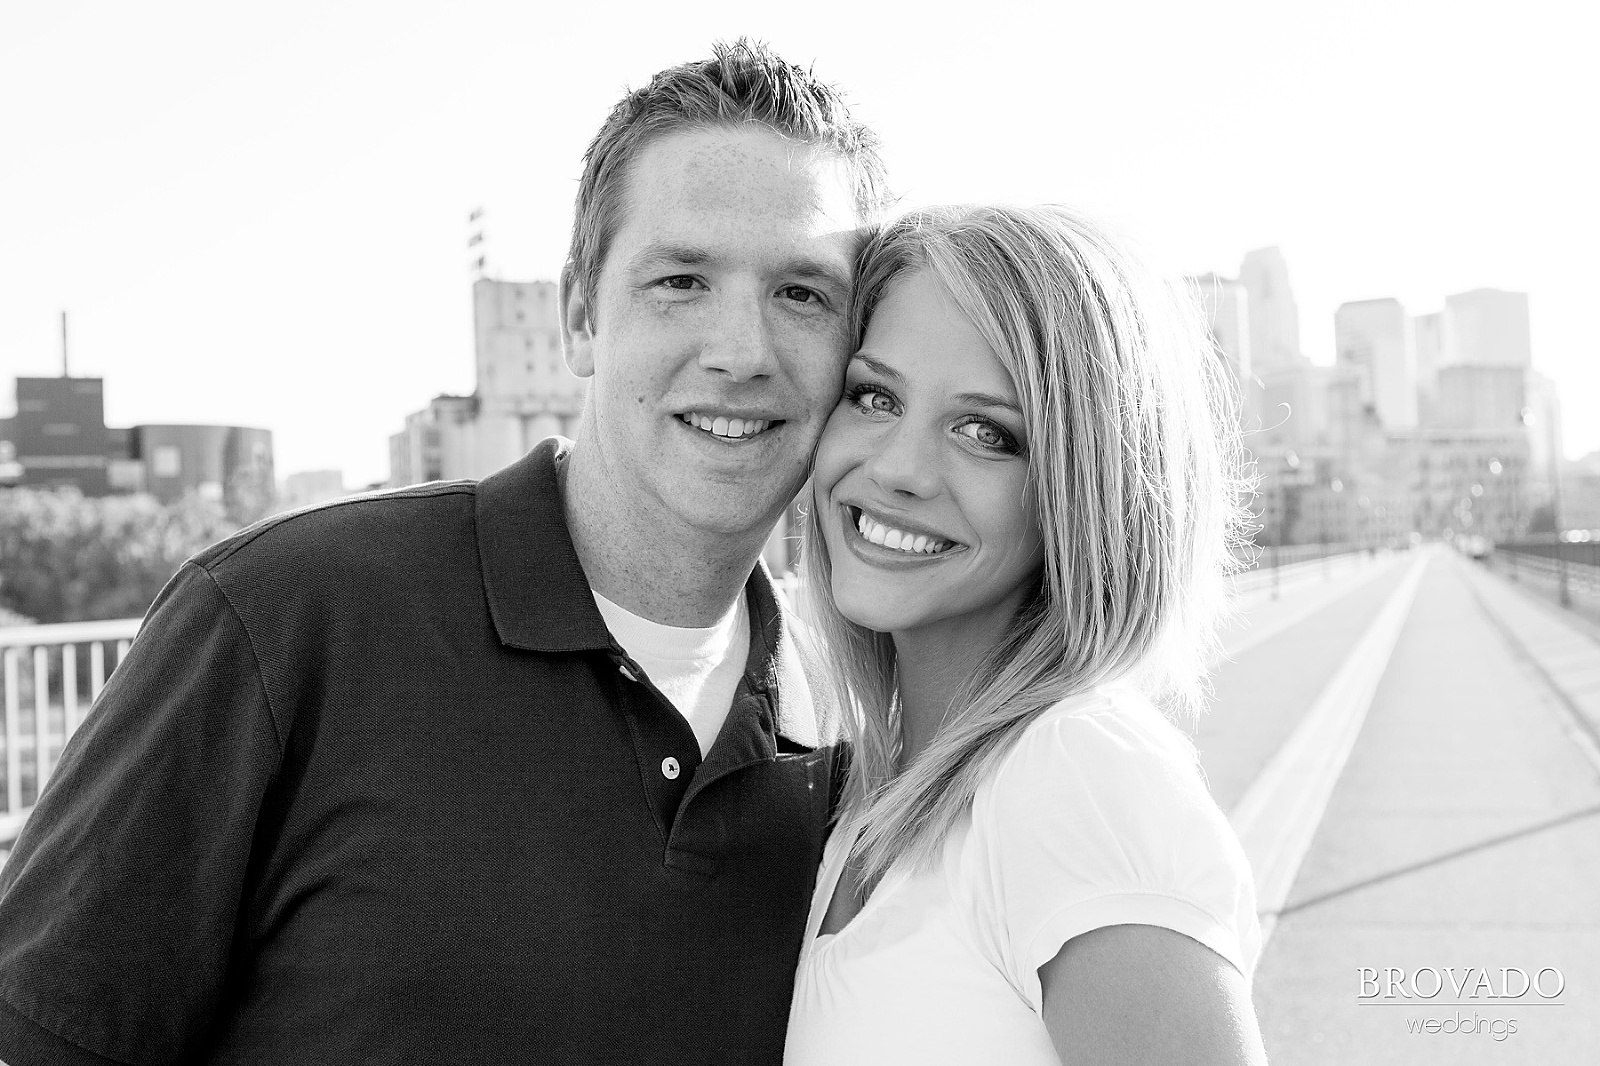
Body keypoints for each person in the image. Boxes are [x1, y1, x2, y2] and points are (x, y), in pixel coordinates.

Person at [0, 41, 886, 1065]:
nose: (742, 352)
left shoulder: (856, 728)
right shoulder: (284, 618)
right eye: (680, 280)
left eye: (802, 293)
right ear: (579, 318)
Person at [784, 205, 1270, 1064]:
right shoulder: (876, 792)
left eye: (987, 433)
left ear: (1087, 492)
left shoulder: (1076, 776)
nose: (896, 468)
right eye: (875, 396)